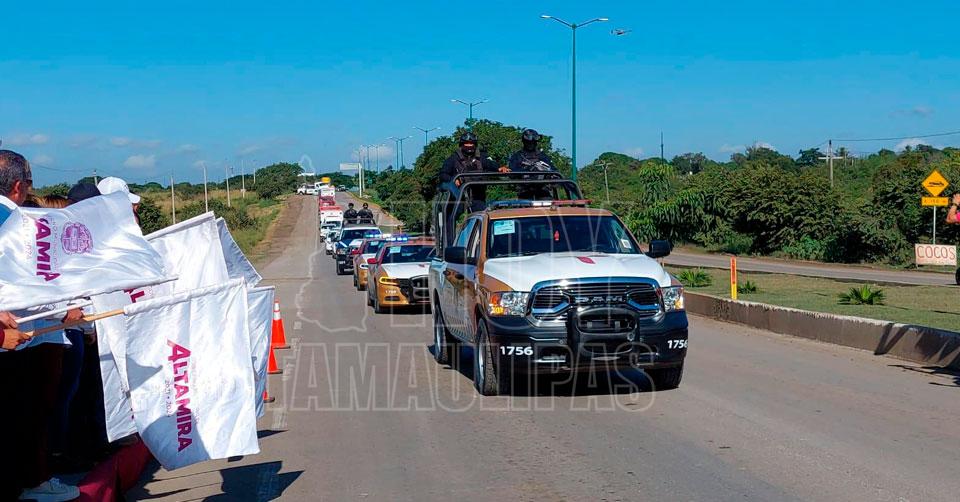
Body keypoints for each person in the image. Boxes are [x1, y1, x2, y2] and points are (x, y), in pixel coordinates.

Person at [0, 150, 81, 502]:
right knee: (29, 417)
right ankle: (33, 481)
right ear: (20, 185)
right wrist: (65, 308)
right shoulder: (20, 222)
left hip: (18, 331)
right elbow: (38, 278)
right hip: (24, 335)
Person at [508, 129, 557, 200]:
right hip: (524, 191)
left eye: (533, 142)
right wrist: (526, 169)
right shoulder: (517, 156)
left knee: (549, 206)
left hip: (542, 190)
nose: (531, 144)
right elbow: (511, 173)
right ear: (524, 142)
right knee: (523, 207)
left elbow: (553, 170)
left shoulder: (543, 156)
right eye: (529, 142)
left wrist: (550, 174)